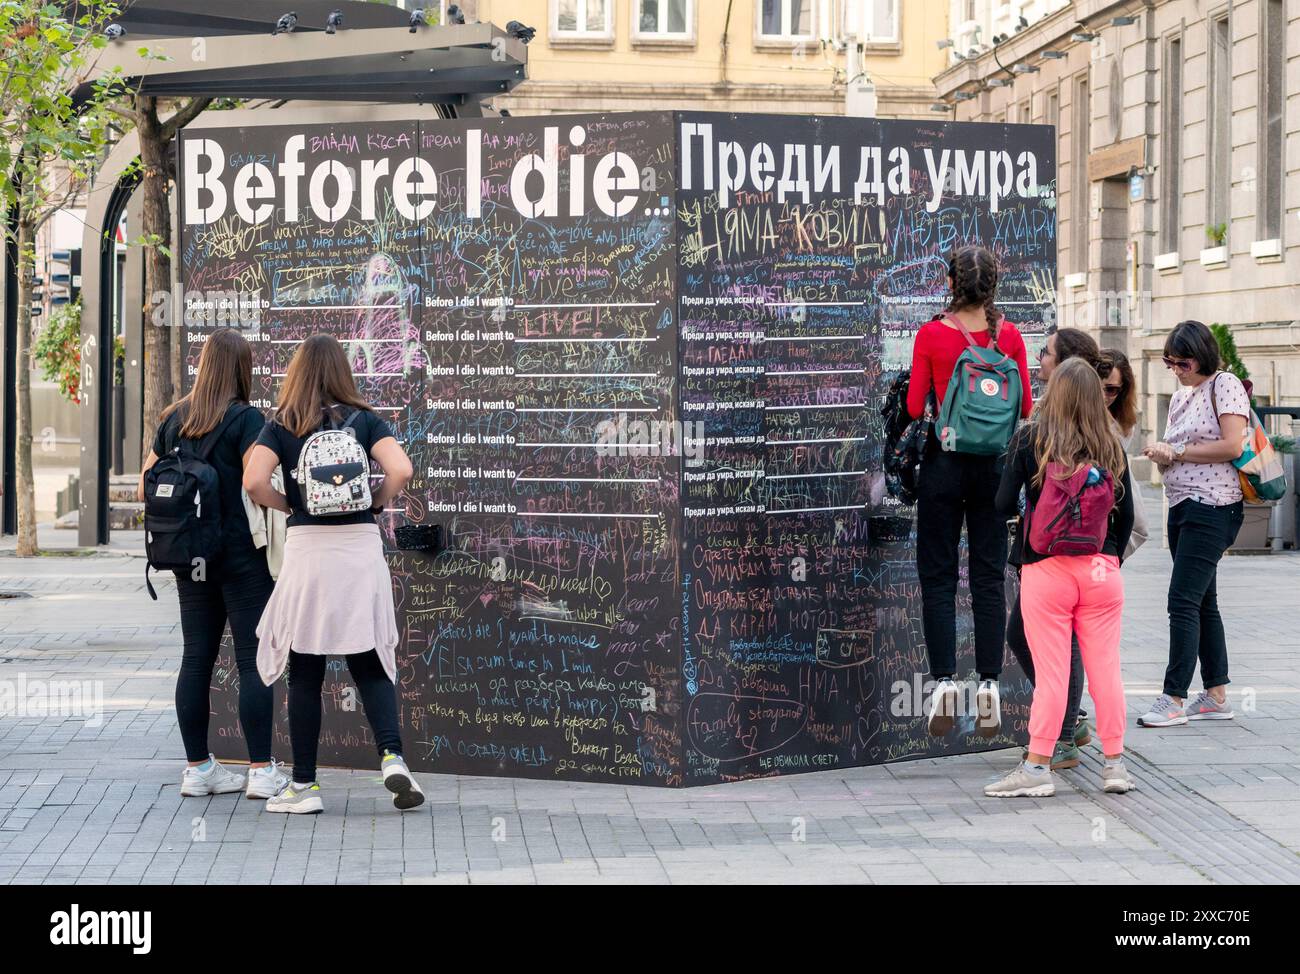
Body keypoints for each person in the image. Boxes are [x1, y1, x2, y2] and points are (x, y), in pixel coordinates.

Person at [243, 334, 421, 814]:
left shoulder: (283, 423)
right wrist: (376, 503)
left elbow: (253, 480)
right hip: (359, 548)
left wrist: (290, 507)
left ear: (297, 372)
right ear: (343, 371)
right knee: (369, 658)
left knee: (305, 668)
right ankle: (392, 757)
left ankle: (305, 787)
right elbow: (400, 469)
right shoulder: (364, 420)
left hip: (309, 553)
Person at [138, 327, 289, 800]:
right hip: (240, 557)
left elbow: (146, 481)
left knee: (195, 657)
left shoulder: (174, 418)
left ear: (203, 366)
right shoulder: (246, 419)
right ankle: (262, 772)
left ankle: (198, 768)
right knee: (251, 660)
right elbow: (254, 481)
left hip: (190, 558)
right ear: (242, 369)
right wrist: (289, 505)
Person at [987, 358, 1136, 797]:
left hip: (1045, 569)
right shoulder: (1110, 444)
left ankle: (1037, 768)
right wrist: (1108, 560)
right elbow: (1125, 518)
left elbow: (999, 504)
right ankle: (1115, 766)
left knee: (1053, 674)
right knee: (1106, 670)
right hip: (1100, 570)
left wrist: (1029, 520)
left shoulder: (1031, 438)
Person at [907, 245, 1032, 737]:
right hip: (994, 473)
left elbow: (917, 406)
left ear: (950, 281)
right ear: (994, 284)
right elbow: (1024, 410)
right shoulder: (1012, 337)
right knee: (986, 578)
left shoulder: (933, 334)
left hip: (944, 466)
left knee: (938, 578)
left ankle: (942, 686)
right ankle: (988, 686)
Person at [1138, 321, 1248, 728]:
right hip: (1181, 504)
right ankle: (1217, 695)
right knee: (1203, 601)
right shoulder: (1181, 395)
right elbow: (1181, 448)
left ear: (1202, 355)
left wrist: (1178, 450)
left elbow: (1233, 444)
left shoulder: (1225, 384)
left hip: (1213, 505)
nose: (1177, 370)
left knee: (1181, 601)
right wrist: (1164, 454)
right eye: (1170, 363)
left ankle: (1173, 697)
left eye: (1182, 362)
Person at [1004, 326, 1101, 768]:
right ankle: (1069, 723)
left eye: (1044, 354)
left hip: (1042, 557)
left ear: (1062, 369)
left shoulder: (1031, 437)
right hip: (1092, 558)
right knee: (1064, 642)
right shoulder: (1102, 436)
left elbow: (1002, 502)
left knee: (1043, 641)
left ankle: (1062, 732)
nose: (1038, 359)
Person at [1099, 348, 1149, 557]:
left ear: (1123, 390)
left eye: (1111, 390)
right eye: (1098, 387)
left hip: (1112, 500)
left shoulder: (1122, 421)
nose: (1104, 395)